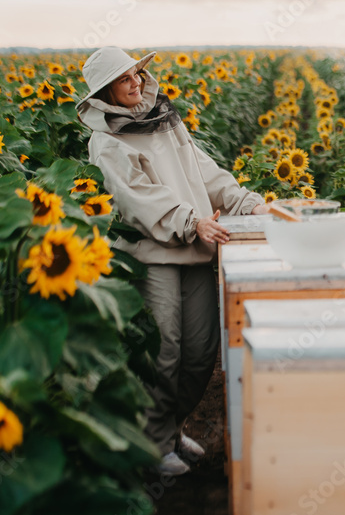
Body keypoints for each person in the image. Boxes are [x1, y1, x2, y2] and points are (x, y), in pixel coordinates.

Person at [76, 46, 269, 476]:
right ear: (105, 91)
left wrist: (246, 204)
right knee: (163, 354)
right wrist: (190, 221)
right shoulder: (106, 140)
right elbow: (135, 198)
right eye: (125, 79)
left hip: (197, 245)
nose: (136, 83)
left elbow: (206, 172)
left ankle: (170, 428)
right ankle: (151, 445)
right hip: (155, 252)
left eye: (137, 75)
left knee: (201, 353)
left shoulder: (163, 121)